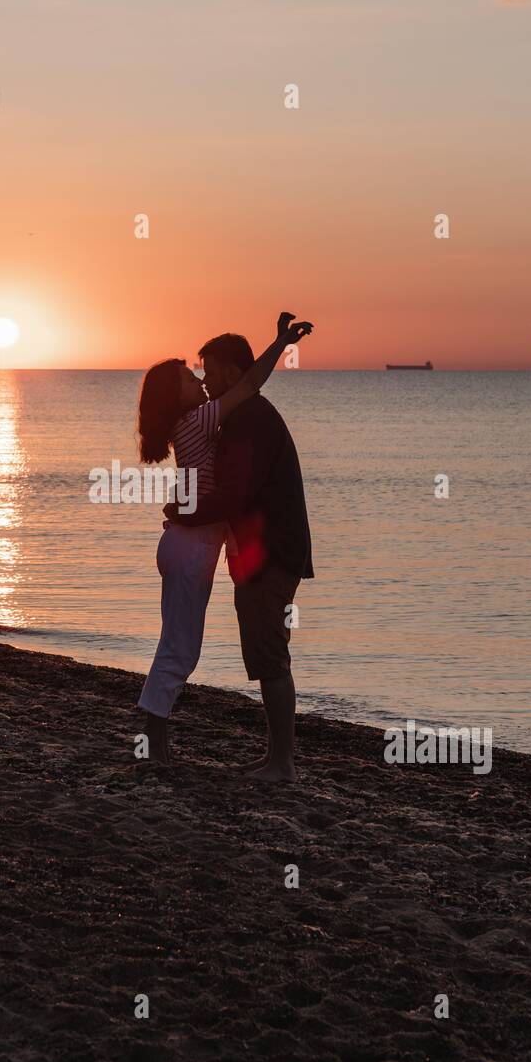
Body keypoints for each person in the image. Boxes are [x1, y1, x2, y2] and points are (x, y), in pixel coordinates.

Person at [136, 313, 312, 765]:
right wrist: (280, 345)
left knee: (178, 645)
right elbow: (251, 382)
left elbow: (246, 384)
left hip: (189, 540)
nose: (201, 380)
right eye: (191, 377)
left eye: (205, 372)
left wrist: (182, 510)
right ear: (176, 397)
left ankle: (157, 745)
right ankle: (154, 748)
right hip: (190, 543)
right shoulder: (196, 421)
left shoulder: (197, 422)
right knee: (180, 648)